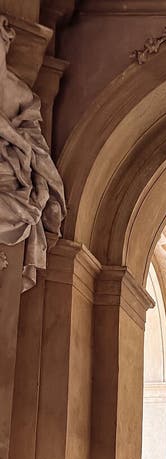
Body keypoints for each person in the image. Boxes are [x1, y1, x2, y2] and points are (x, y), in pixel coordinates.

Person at [0, 16, 65, 290]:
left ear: (6, 43)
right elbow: (27, 144)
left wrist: (41, 187)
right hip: (12, 174)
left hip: (15, 178)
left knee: (34, 208)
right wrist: (21, 143)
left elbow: (37, 151)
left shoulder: (21, 93)